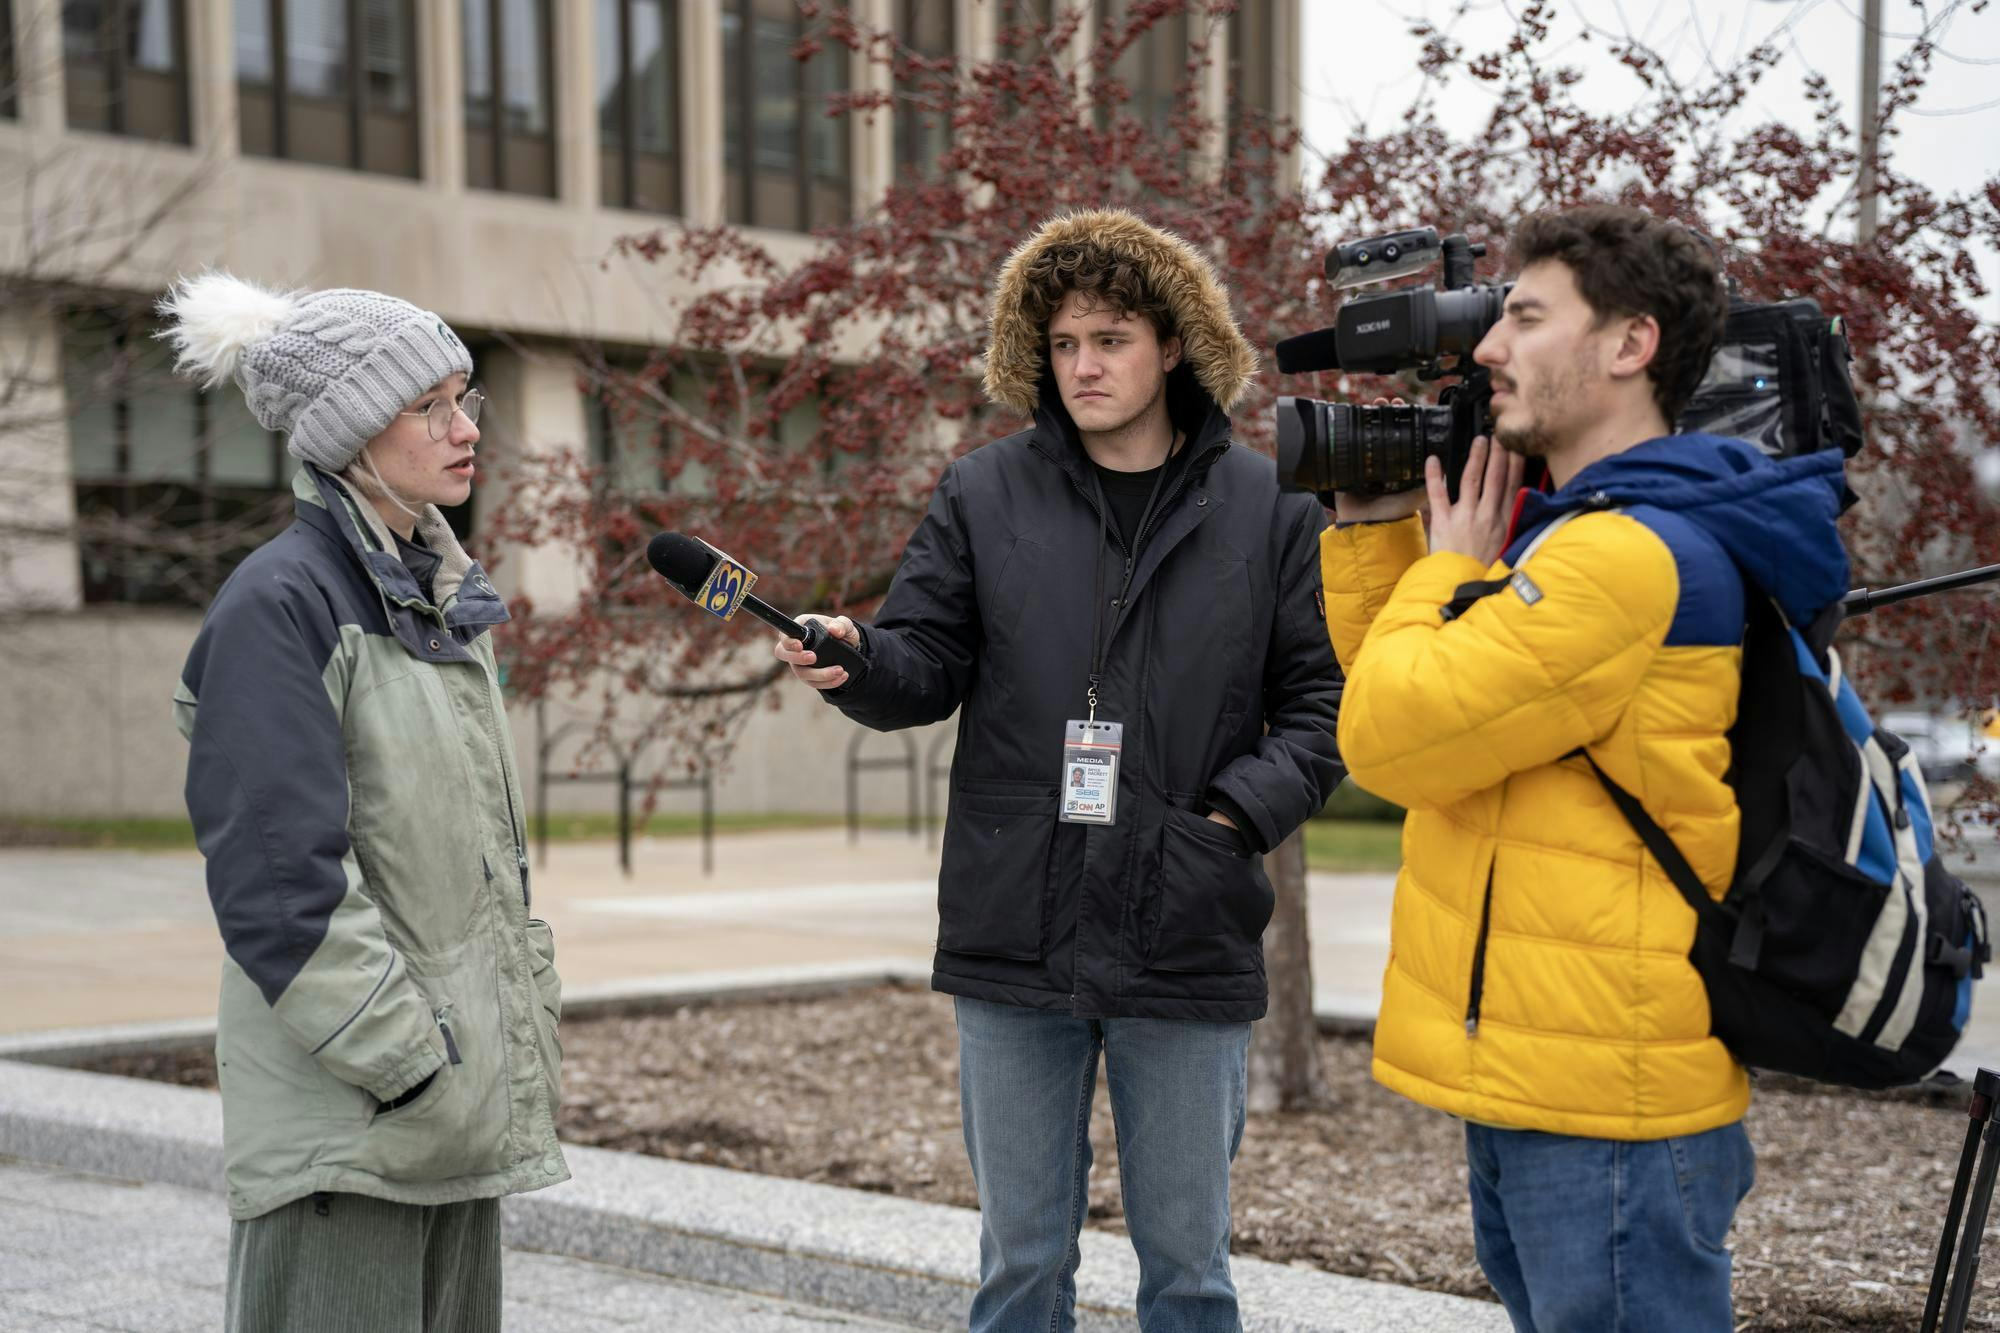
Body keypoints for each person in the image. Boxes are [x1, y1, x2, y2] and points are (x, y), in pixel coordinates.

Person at [774, 209, 1343, 1331]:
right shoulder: (983, 492)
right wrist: (858, 659)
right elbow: (925, 660)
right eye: (1065, 343)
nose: (1083, 365)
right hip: (1011, 923)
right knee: (1020, 1264)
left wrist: (1227, 822)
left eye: (1111, 338)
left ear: (1174, 344)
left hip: (1185, 920)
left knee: (1187, 1271)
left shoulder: (1266, 507)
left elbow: (1321, 710)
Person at [1318, 205, 1852, 1331]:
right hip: (1544, 1068)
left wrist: (1442, 573)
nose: (1484, 351)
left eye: (1521, 317)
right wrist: (1379, 531)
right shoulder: (1570, 532)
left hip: (1605, 1098)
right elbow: (1423, 716)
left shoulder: (1622, 555)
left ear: (1628, 345)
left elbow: (1387, 741)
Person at [160, 273, 566, 1332]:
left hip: (446, 1111)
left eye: (464, 398)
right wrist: (408, 1062)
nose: (464, 427)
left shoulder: (433, 601)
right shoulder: (281, 603)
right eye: (428, 405)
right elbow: (278, 880)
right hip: (355, 1123)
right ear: (347, 428)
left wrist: (472, 1060)